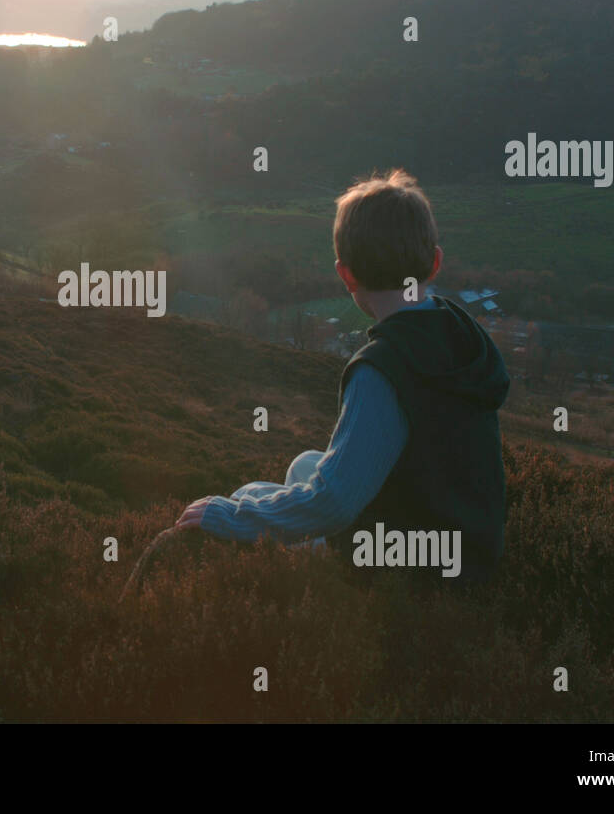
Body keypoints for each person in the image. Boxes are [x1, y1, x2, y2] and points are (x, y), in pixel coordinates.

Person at [175, 169, 510, 581]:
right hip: (469, 548)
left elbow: (333, 503)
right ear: (435, 262)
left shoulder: (383, 370)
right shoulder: (460, 336)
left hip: (410, 572)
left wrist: (233, 516)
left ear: (346, 274)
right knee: (304, 465)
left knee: (246, 499)